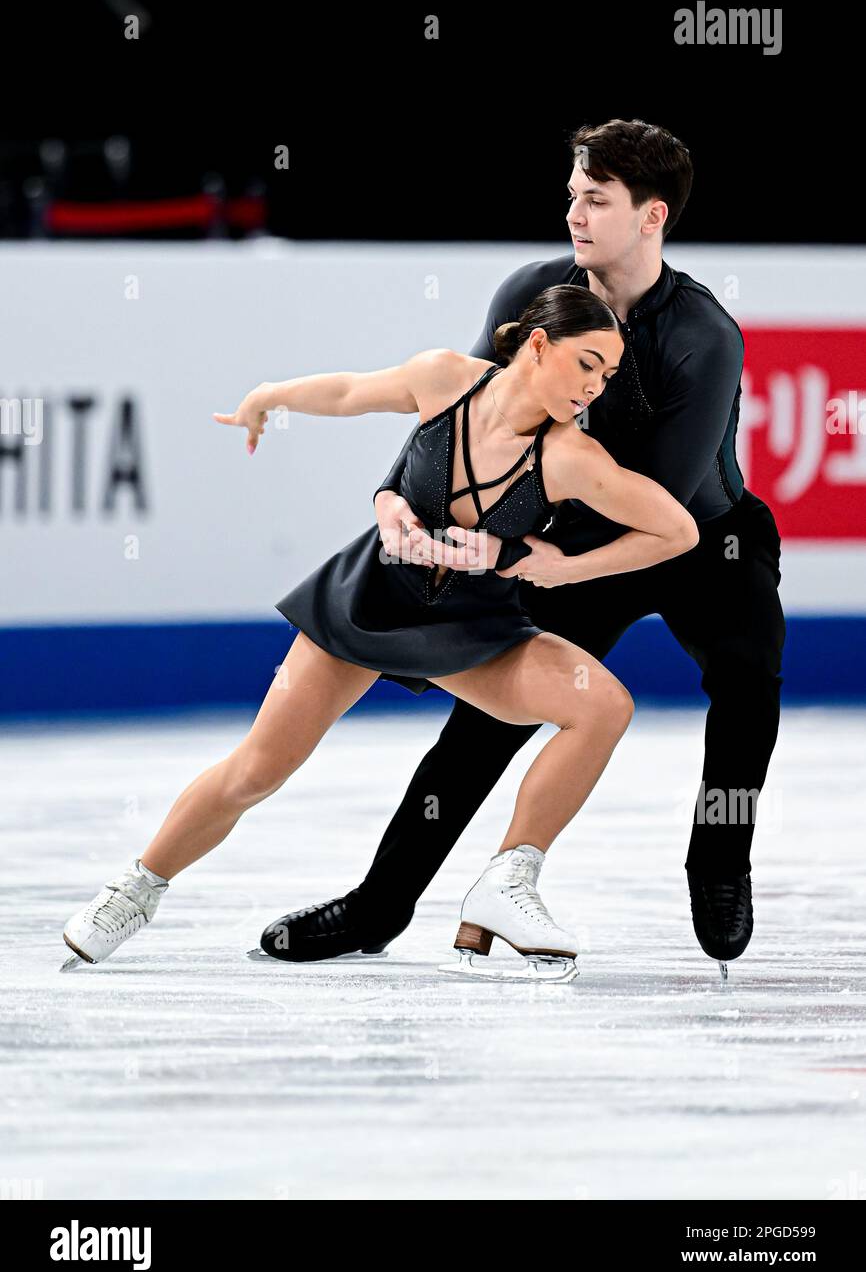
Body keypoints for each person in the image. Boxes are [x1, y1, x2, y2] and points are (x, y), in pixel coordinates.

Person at [264, 118, 786, 979]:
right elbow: (459, 421)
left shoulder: (704, 334)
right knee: (482, 723)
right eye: (573, 193)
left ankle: (719, 858)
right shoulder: (533, 294)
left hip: (698, 538)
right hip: (558, 537)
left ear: (651, 217)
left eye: (596, 199)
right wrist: (409, 506)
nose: (574, 212)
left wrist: (531, 556)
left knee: (749, 672)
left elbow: (657, 498)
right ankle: (379, 903)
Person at [60, 283, 700, 981]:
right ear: (539, 345)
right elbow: (346, 393)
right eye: (586, 365)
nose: (593, 389)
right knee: (256, 771)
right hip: (368, 602)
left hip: (468, 630)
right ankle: (137, 888)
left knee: (602, 706)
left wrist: (562, 568)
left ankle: (509, 881)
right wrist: (270, 395)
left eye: (607, 376)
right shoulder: (446, 379)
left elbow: (676, 530)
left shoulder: (572, 458)